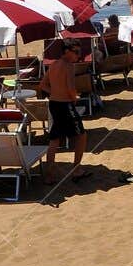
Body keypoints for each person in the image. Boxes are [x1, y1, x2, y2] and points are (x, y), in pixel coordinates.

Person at [43, 41, 89, 179]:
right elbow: (70, 87)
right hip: (65, 104)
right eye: (76, 52)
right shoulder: (68, 66)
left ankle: (49, 174)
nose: (78, 55)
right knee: (81, 136)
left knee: (55, 139)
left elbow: (43, 85)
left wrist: (55, 92)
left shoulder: (53, 65)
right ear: (67, 51)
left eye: (80, 52)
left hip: (54, 103)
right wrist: (74, 97)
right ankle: (76, 169)